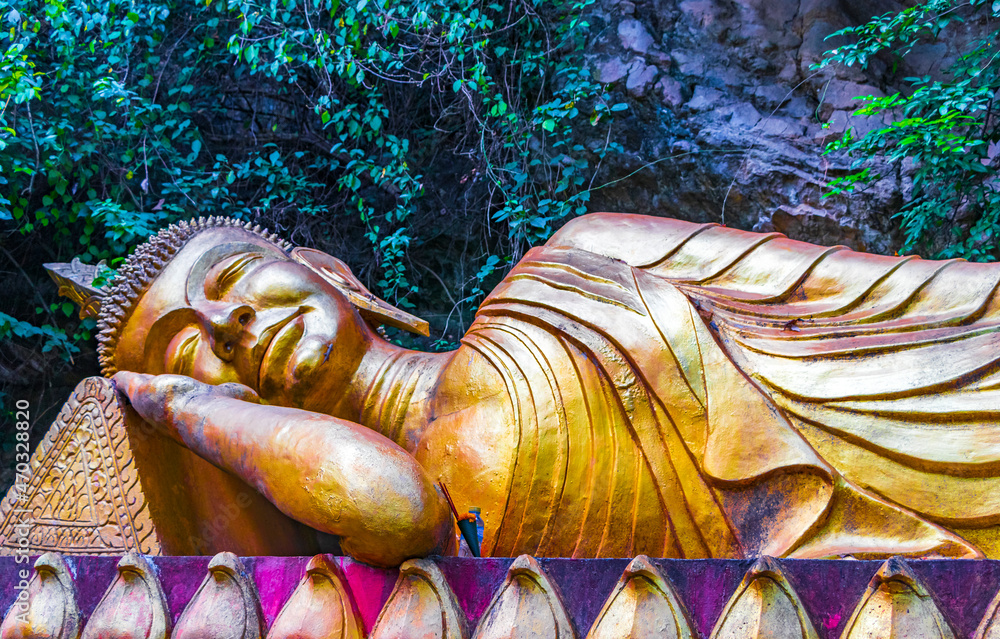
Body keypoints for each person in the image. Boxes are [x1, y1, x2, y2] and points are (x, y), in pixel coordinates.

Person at [99, 213, 1000, 567]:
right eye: (193, 351)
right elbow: (393, 505)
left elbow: (875, 295)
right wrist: (186, 409)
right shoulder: (395, 537)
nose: (234, 329)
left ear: (328, 270)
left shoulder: (572, 263)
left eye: (233, 281)